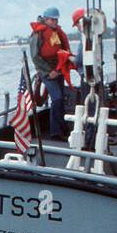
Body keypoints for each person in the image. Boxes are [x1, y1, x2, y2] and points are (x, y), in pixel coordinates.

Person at [29, 8, 74, 139]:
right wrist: (49, 72)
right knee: (57, 98)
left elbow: (61, 50)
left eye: (56, 19)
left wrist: (61, 67)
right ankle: (55, 132)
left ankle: (63, 129)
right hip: (46, 72)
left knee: (60, 99)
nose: (55, 21)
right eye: (52, 19)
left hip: (58, 70)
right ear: (46, 19)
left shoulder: (55, 32)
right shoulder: (37, 34)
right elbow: (35, 57)